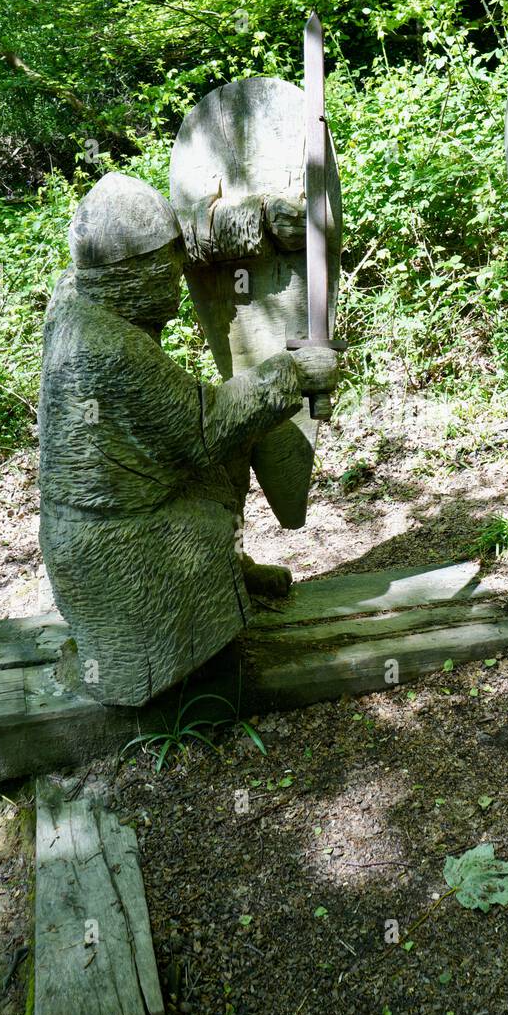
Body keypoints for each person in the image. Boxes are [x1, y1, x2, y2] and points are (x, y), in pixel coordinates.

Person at [38, 171, 339, 706]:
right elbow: (205, 426)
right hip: (117, 545)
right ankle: (195, 664)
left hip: (102, 520)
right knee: (219, 462)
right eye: (168, 268)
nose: (180, 277)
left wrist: (244, 223)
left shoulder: (75, 294)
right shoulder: (107, 350)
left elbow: (200, 426)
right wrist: (293, 374)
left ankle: (234, 564)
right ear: (135, 275)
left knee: (228, 456)